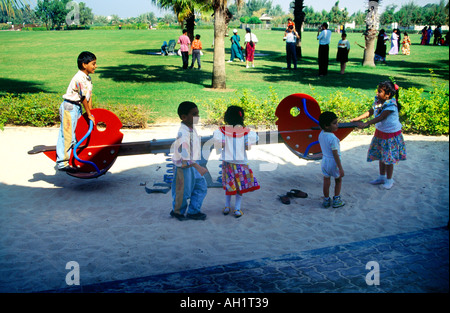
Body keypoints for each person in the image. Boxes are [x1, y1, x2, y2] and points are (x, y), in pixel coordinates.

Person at [350, 81, 406, 190]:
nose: (377, 93)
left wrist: (367, 123)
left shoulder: (391, 105)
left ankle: (389, 180)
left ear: (388, 94)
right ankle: (381, 177)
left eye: (380, 91)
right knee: (382, 156)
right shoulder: (378, 102)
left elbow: (381, 117)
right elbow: (370, 112)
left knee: (388, 159)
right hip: (380, 133)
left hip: (390, 135)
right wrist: (358, 118)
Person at [213, 106, 260, 218]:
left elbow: (219, 144)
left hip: (227, 163)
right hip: (241, 163)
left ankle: (227, 206)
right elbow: (249, 145)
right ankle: (237, 208)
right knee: (240, 186)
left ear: (226, 117)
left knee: (230, 185)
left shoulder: (221, 131)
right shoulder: (246, 132)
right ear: (241, 117)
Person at [56, 51, 97, 172]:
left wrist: (91, 113)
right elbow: (83, 98)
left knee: (76, 133)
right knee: (67, 135)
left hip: (76, 107)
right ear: (84, 65)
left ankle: (74, 158)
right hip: (70, 107)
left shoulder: (87, 78)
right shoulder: (80, 78)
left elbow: (88, 97)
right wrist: (88, 114)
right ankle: (62, 163)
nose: (96, 66)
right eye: (93, 64)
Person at [170, 101, 208, 221]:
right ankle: (177, 212)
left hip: (192, 166)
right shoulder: (183, 133)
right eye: (194, 114)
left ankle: (193, 211)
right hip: (184, 167)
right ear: (184, 117)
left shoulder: (192, 128)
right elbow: (185, 155)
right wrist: (199, 167)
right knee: (182, 191)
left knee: (201, 187)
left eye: (198, 113)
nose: (197, 116)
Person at [318, 111, 345, 208]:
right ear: (326, 126)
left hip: (325, 161)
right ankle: (336, 199)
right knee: (338, 180)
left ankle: (326, 200)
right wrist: (340, 168)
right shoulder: (333, 138)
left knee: (326, 180)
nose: (337, 124)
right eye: (334, 123)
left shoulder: (321, 134)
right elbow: (335, 154)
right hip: (333, 162)